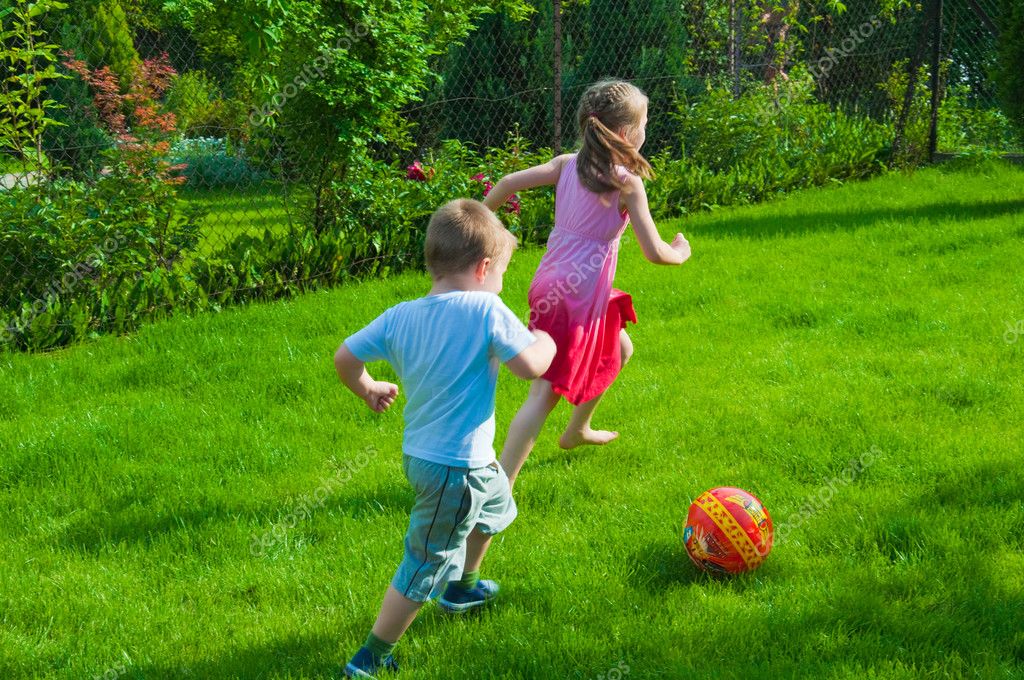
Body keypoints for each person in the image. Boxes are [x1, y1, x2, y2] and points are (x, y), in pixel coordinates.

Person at [334, 198, 556, 678]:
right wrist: (547, 340)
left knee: (496, 506)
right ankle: (370, 657)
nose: (501, 284)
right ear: (483, 268)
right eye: (502, 273)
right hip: (457, 471)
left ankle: (462, 588)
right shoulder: (485, 308)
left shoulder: (401, 315)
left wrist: (368, 388)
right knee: (424, 563)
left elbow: (345, 357)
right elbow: (531, 367)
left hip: (430, 458)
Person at [482, 79, 692, 487]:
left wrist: (480, 221)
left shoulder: (567, 164)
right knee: (544, 393)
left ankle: (578, 429)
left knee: (620, 347)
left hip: (554, 284)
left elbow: (506, 183)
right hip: (575, 296)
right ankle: (500, 486)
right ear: (628, 134)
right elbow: (655, 252)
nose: (646, 130)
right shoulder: (627, 182)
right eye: (645, 123)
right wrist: (680, 252)